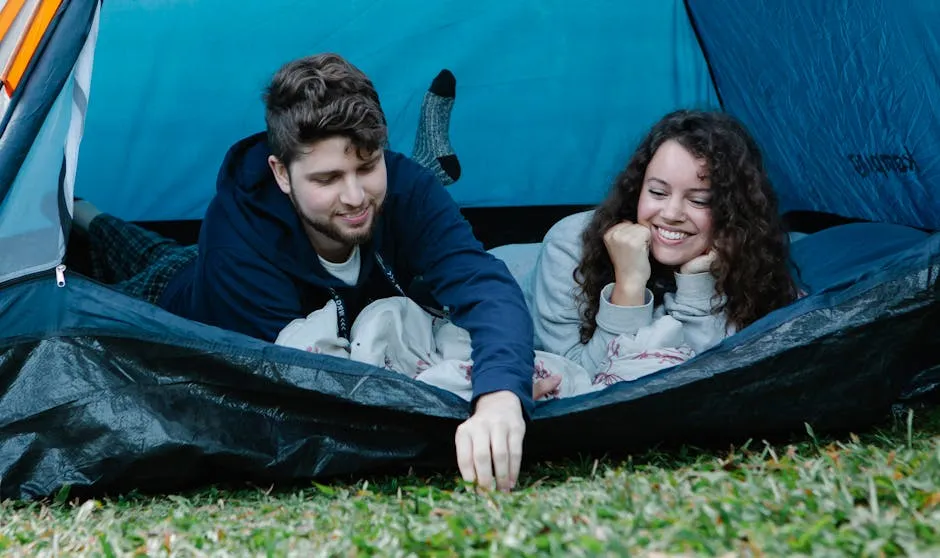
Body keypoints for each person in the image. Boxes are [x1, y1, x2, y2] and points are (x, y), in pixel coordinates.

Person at [72, 53, 533, 492]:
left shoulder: (406, 186)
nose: (355, 196)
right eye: (328, 179)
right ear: (282, 174)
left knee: (154, 245)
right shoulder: (239, 239)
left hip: (208, 259)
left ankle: (92, 216)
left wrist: (500, 394)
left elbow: (484, 283)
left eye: (366, 166)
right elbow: (303, 393)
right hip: (177, 296)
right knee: (110, 277)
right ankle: (83, 215)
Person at [525, 109, 799, 379]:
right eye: (657, 192)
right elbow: (582, 382)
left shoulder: (749, 257)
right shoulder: (569, 246)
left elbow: (702, 378)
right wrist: (629, 285)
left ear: (732, 211)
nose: (670, 213)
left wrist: (697, 283)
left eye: (699, 200)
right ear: (637, 189)